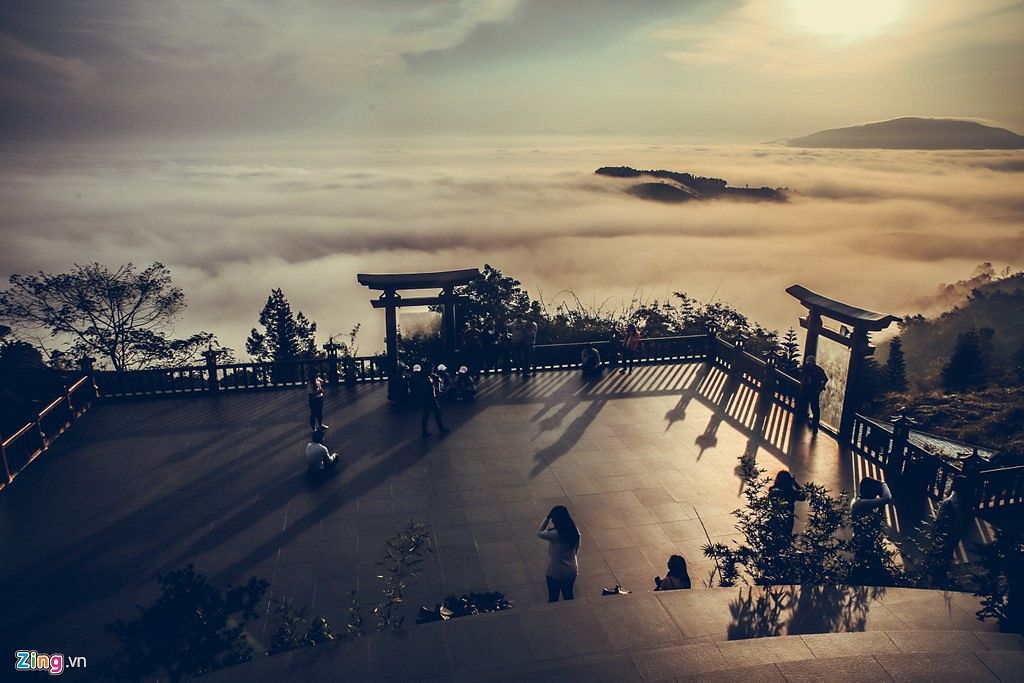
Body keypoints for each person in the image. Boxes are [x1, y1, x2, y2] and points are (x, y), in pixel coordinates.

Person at [849, 476, 894, 583]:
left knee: (862, 566)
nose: (875, 497)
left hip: (863, 539)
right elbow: (887, 498)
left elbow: (877, 518)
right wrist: (882, 483)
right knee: (868, 568)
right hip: (864, 540)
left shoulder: (857, 500)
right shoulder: (861, 504)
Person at [537, 505, 580, 602]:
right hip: (571, 570)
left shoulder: (555, 534)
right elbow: (576, 550)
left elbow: (540, 532)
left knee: (553, 598)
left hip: (556, 571)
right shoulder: (574, 532)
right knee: (568, 596)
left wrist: (547, 517)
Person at [410, 363, 449, 437]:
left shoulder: (428, 375)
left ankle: (431, 431)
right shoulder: (422, 377)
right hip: (428, 399)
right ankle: (436, 430)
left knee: (432, 414)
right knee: (429, 414)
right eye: (431, 369)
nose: (432, 370)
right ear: (426, 369)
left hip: (431, 398)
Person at [768, 470, 807, 540]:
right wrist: (795, 483)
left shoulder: (772, 490)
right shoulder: (791, 492)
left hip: (775, 517)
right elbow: (803, 497)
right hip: (788, 519)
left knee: (774, 537)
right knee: (785, 538)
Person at [801, 356, 828, 431]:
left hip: (814, 391)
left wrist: (819, 389)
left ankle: (815, 425)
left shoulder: (818, 370)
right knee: (803, 404)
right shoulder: (807, 368)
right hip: (807, 389)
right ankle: (803, 419)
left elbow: (825, 379)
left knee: (815, 408)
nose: (809, 365)